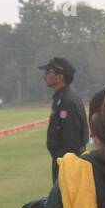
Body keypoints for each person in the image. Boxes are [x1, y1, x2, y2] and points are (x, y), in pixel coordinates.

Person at [41, 56, 87, 184]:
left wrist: (67, 165)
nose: (45, 75)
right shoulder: (62, 98)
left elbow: (72, 141)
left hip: (68, 164)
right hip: (63, 161)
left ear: (60, 77)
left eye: (48, 72)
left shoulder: (67, 101)